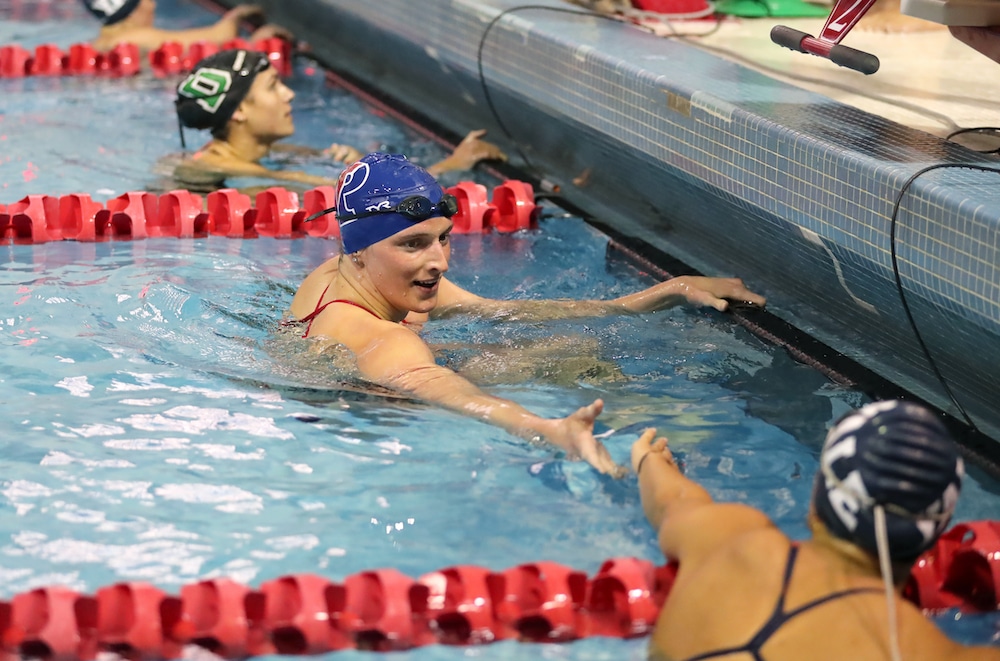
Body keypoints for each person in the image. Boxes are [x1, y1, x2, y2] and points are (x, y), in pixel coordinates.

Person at [284, 151, 767, 476]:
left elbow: (501, 312)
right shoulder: (384, 338)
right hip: (376, 420)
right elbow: (441, 388)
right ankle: (654, 428)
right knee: (564, 357)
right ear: (361, 251)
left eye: (443, 237)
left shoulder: (349, 271)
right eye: (414, 244)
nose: (441, 260)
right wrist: (548, 430)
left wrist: (660, 294)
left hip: (352, 385)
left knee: (555, 346)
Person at [632, 399, 998, 660]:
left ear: (816, 498)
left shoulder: (728, 540)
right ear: (941, 531)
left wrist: (646, 457)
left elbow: (672, 500)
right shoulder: (926, 651)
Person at [173, 49, 507, 189]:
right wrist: (453, 165)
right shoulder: (227, 171)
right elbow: (365, 194)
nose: (289, 94)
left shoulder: (267, 155)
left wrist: (340, 161)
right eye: (274, 87)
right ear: (240, 111)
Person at [83, 0, 289, 52]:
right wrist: (239, 16)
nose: (153, 5)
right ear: (132, 9)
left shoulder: (99, 43)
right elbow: (219, 37)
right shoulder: (135, 38)